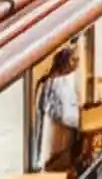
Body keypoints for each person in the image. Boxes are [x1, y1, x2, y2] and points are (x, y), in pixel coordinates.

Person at [38, 44, 82, 172]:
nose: (76, 64)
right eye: (74, 60)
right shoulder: (58, 83)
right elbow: (67, 116)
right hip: (59, 138)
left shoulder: (52, 81)